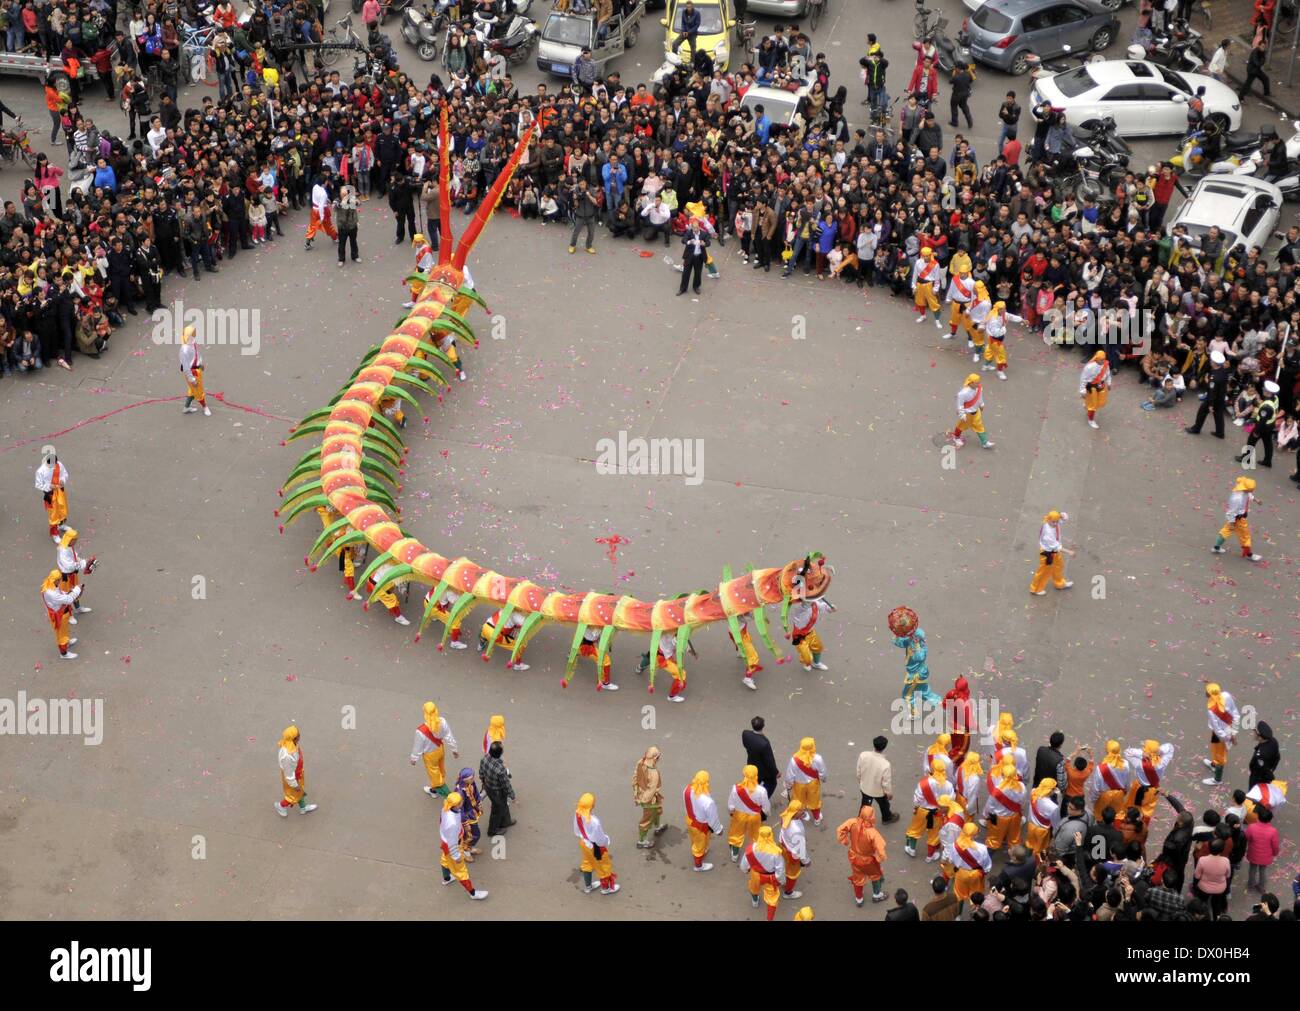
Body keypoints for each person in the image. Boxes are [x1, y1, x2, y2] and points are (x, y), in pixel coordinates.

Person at [440, 793, 489, 899]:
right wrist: (456, 856)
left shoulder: (446, 807)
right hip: (454, 845)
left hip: (445, 843)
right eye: (460, 802)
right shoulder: (452, 823)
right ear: (456, 805)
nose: (462, 802)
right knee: (461, 871)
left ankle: (447, 878)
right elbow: (452, 842)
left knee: (444, 860)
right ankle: (473, 893)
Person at [837, 804, 888, 906]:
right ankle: (877, 895)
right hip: (868, 860)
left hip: (854, 856)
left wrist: (845, 841)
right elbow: (881, 848)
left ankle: (859, 899)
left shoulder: (852, 822)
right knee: (876, 875)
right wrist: (880, 857)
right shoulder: (872, 833)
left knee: (858, 878)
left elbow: (840, 829)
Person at [905, 759, 954, 861]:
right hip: (938, 813)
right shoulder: (949, 785)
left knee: (915, 829)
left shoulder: (924, 783)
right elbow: (951, 800)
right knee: (934, 834)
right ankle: (930, 856)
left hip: (922, 811)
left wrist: (916, 807)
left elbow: (917, 799)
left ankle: (912, 849)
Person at [410, 701, 459, 799]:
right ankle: (433, 789)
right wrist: (454, 749)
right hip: (440, 749)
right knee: (440, 770)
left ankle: (450, 797)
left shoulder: (420, 731)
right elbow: (449, 737)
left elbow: (418, 747)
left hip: (430, 755)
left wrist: (414, 758)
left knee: (435, 777)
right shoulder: (442, 721)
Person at [574, 792, 619, 895]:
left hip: (584, 843)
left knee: (587, 863)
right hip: (596, 847)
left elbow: (576, 830)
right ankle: (606, 888)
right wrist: (606, 841)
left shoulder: (578, 813)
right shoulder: (594, 821)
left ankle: (588, 886)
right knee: (604, 866)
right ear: (592, 805)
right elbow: (600, 839)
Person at [1212, 476, 1262, 562]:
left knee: (1225, 531)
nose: (1252, 491)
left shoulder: (1243, 489)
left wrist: (1256, 500)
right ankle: (1249, 554)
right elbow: (1231, 512)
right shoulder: (1237, 499)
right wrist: (1232, 523)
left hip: (1236, 518)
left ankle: (1216, 547)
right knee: (1245, 536)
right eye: (1251, 489)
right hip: (1238, 519)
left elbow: (1249, 495)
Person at [1124, 739, 1175, 824]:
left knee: (1132, 804)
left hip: (1138, 788)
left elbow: (1127, 752)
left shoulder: (1139, 763)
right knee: (1148, 810)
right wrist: (1159, 751)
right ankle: (1143, 825)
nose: (1143, 749)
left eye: (1144, 748)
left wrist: (1141, 754)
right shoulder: (1162, 762)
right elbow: (1170, 747)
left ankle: (1129, 819)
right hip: (1153, 790)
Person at [682, 770, 724, 871]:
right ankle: (698, 865)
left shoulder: (687, 789)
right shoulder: (707, 801)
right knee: (699, 846)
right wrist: (719, 830)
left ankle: (701, 849)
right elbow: (713, 819)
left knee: (694, 839)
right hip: (700, 826)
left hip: (689, 821)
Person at [983, 757, 1027, 852]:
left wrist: (987, 816)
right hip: (1015, 816)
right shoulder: (1022, 786)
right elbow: (1022, 802)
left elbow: (990, 807)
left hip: (1000, 818)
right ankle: (1015, 855)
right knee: (1014, 838)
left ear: (1003, 775)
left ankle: (989, 855)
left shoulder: (997, 790)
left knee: (994, 839)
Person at [727, 765, 770, 861]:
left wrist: (731, 813)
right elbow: (766, 807)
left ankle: (734, 854)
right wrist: (764, 814)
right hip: (754, 816)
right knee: (755, 835)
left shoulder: (735, 788)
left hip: (739, 815)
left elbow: (731, 805)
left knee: (736, 834)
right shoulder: (761, 791)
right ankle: (755, 854)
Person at [742, 825, 786, 920]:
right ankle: (769, 918)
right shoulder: (776, 852)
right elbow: (780, 869)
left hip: (755, 874)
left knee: (754, 887)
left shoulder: (751, 848)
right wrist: (781, 880)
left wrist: (745, 870)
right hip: (770, 878)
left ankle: (755, 901)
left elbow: (745, 862)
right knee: (772, 898)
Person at [38, 567, 82, 659]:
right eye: (59, 580)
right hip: (58, 615)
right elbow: (68, 600)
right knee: (61, 634)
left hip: (61, 612)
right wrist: (77, 590)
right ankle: (64, 653)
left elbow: (62, 593)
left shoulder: (50, 584)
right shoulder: (51, 593)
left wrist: (68, 592)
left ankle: (67, 642)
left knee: (64, 629)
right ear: (56, 580)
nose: (61, 581)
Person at [1203, 683, 1241, 786]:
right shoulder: (1226, 695)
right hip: (1229, 730)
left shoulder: (1211, 709)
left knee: (1220, 756)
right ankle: (1214, 764)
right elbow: (1236, 714)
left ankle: (1217, 779)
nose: (1205, 692)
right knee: (1215, 751)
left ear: (1210, 694)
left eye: (1207, 691)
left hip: (1221, 735)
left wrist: (1228, 738)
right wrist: (1233, 732)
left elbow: (1217, 729)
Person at [785, 738, 828, 828]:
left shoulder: (794, 759)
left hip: (798, 784)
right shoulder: (818, 758)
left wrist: (788, 785)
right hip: (813, 783)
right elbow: (823, 772)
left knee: (798, 801)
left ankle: (801, 816)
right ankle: (816, 819)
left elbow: (790, 775)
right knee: (814, 801)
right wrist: (824, 779)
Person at [275, 725, 318, 816]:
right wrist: (294, 785)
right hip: (292, 777)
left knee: (300, 792)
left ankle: (303, 807)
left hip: (298, 773)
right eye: (298, 734)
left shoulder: (293, 744)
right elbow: (288, 774)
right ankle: (281, 806)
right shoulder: (287, 756)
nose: (299, 735)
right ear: (294, 738)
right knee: (293, 795)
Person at [1185, 349, 1229, 437]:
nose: (1210, 361)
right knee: (1219, 415)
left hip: (1213, 399)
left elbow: (1212, 391)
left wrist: (1210, 405)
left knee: (1202, 412)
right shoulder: (1223, 370)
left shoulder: (1214, 377)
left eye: (1212, 360)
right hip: (1221, 397)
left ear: (1215, 363)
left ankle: (1196, 429)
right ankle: (1220, 433)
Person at [1238, 379, 1280, 468]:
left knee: (1251, 441)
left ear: (1268, 392)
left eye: (1264, 389)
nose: (1263, 390)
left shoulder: (1266, 407)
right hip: (1270, 424)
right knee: (1268, 443)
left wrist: (1256, 431)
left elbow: (1262, 420)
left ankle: (1246, 459)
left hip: (1263, 426)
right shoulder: (1275, 398)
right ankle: (1267, 461)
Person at [1029, 511, 1073, 595]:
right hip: (1047, 553)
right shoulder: (1048, 533)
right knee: (1044, 571)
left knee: (1058, 566)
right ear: (1049, 520)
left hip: (1053, 551)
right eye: (1054, 521)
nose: (1056, 523)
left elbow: (1064, 517)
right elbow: (1056, 546)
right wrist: (1069, 552)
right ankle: (1036, 588)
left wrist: (1061, 516)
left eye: (1057, 521)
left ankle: (1059, 583)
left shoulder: (1051, 522)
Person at [55, 529, 94, 624]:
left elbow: (75, 557)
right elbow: (69, 565)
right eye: (75, 540)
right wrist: (83, 564)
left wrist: (83, 561)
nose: (76, 541)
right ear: (70, 539)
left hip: (73, 574)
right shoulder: (63, 551)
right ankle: (68, 615)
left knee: (77, 590)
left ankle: (78, 608)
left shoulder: (69, 546)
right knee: (67, 595)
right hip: (66, 577)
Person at [478, 740, 516, 836]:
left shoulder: (485, 758)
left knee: (503, 805)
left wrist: (483, 781)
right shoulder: (500, 769)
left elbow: (481, 772)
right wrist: (512, 796)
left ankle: (506, 821)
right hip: (498, 791)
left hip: (488, 786)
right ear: (499, 753)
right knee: (497, 810)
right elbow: (506, 784)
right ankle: (492, 831)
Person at [856, 735, 896, 821]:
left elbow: (858, 772)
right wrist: (889, 794)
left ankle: (860, 822)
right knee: (884, 804)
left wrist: (861, 782)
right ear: (884, 747)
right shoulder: (885, 764)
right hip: (879, 792)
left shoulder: (863, 755)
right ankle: (887, 817)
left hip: (865, 787)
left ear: (874, 744)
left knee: (865, 805)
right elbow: (886, 783)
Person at [777, 799, 810, 901]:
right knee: (793, 874)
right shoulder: (797, 830)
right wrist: (806, 861)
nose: (804, 810)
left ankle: (781, 881)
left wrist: (803, 814)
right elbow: (801, 849)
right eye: (802, 810)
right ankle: (788, 892)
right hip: (792, 854)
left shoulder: (786, 814)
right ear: (796, 813)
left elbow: (806, 817)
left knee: (782, 866)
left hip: (782, 846)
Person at [633, 746, 666, 848]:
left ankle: (657, 827)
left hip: (642, 793)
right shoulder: (654, 773)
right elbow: (652, 790)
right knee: (646, 819)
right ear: (655, 758)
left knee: (657, 810)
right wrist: (645, 801)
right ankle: (642, 841)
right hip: (649, 799)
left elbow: (635, 777)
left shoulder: (641, 762)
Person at [35, 447, 70, 543]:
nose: (55, 467)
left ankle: (62, 525)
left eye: (55, 464)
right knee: (53, 514)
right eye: (52, 465)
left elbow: (65, 474)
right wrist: (49, 486)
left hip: (60, 491)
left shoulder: (59, 465)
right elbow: (38, 485)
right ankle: (55, 534)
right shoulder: (41, 471)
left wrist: (63, 480)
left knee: (63, 509)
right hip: (50, 495)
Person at [952, 373, 994, 449]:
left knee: (980, 427)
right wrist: (962, 415)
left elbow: (980, 397)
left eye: (979, 382)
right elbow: (960, 405)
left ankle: (985, 442)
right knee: (961, 426)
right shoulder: (963, 393)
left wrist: (981, 404)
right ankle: (956, 437)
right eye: (976, 383)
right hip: (967, 414)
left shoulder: (979, 388)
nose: (978, 384)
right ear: (971, 383)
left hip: (976, 412)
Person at [1244, 806, 1280, 893]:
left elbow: (1247, 838)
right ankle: (1261, 886)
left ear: (1258, 817)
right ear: (1270, 820)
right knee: (1263, 871)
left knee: (1252, 869)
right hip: (1266, 856)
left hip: (1253, 853)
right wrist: (1275, 853)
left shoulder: (1251, 827)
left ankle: (1251, 884)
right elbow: (1275, 845)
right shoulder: (1273, 831)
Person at [743, 717, 780, 799]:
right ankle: (763, 799)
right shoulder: (764, 743)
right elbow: (769, 761)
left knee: (754, 780)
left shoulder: (745, 733)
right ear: (763, 726)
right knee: (772, 783)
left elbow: (745, 745)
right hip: (762, 770)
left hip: (751, 762)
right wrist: (776, 772)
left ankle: (751, 792)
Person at [179, 325, 210, 417]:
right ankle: (205, 407)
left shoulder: (192, 343)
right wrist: (192, 379)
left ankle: (186, 407)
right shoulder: (184, 350)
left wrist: (200, 364)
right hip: (192, 373)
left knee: (193, 391)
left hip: (196, 370)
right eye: (192, 333)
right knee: (198, 391)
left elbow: (196, 355)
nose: (195, 335)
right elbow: (186, 368)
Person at [1079, 349, 1112, 429]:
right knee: (1092, 406)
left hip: (1101, 386)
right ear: (1097, 358)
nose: (1103, 361)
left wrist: (1109, 383)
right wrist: (1082, 390)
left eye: (1104, 359)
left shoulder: (1106, 364)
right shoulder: (1089, 367)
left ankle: (1087, 404)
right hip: (1092, 388)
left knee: (1100, 402)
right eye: (1101, 359)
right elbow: (1083, 379)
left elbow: (1108, 374)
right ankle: (1091, 420)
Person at [305, 171, 337, 250]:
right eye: (327, 181)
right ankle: (335, 238)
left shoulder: (315, 187)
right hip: (321, 211)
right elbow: (321, 206)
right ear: (324, 182)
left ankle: (307, 243)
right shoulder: (323, 193)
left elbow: (319, 201)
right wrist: (322, 217)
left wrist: (327, 200)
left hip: (314, 210)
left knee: (312, 226)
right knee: (328, 226)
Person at [678, 216, 709, 296]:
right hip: (689, 256)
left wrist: (704, 243)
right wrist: (689, 242)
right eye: (694, 228)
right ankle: (683, 288)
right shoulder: (689, 233)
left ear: (699, 227)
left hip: (699, 257)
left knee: (698, 273)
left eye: (697, 227)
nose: (695, 229)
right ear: (691, 227)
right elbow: (683, 240)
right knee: (685, 273)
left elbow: (708, 243)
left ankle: (696, 287)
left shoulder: (704, 234)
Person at [568, 177, 598, 255]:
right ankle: (572, 245)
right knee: (576, 232)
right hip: (580, 215)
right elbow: (576, 205)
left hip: (590, 215)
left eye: (584, 184)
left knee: (591, 232)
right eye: (580, 184)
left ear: (586, 183)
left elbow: (595, 202)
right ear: (578, 184)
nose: (582, 186)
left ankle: (588, 246)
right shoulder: (576, 190)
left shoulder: (591, 189)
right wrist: (575, 199)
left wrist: (589, 195)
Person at [1248, 722, 1280, 787]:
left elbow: (1263, 769)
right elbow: (1277, 757)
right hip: (1265, 773)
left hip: (1259, 779)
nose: (1253, 733)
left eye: (1255, 732)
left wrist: (1269, 776)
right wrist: (1272, 769)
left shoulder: (1261, 755)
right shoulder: (1273, 741)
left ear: (1260, 737)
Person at [1238, 35, 1271, 100]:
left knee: (1265, 79)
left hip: (1256, 70)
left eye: (1264, 47)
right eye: (1262, 46)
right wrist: (1262, 61)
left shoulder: (1262, 52)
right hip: (1252, 70)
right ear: (1259, 45)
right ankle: (1240, 97)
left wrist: (1262, 61)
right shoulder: (1255, 52)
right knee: (1247, 84)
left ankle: (1267, 93)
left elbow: (1262, 60)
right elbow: (1257, 63)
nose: (1263, 48)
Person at [336, 185, 360, 266]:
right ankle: (341, 259)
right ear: (340, 194)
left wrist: (356, 202)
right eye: (343, 194)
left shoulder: (352, 198)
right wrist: (343, 201)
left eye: (346, 194)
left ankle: (355, 256)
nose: (345, 195)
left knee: (353, 242)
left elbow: (359, 203)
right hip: (342, 226)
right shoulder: (337, 200)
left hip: (352, 225)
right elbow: (335, 206)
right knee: (342, 243)